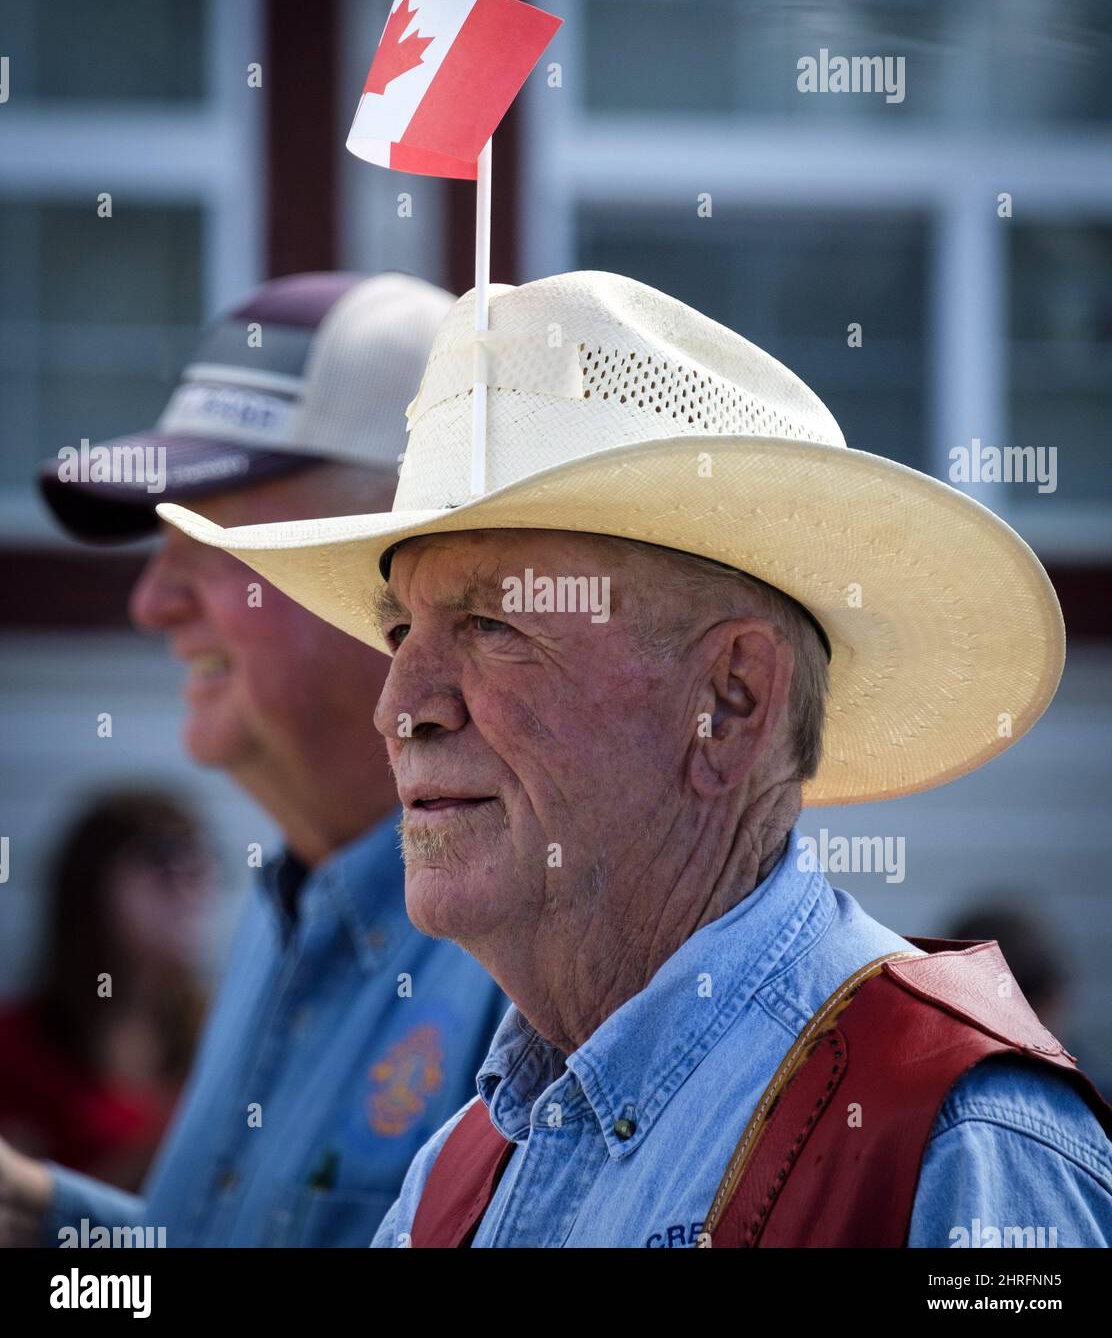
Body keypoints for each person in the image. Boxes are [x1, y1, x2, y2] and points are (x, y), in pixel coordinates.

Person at [161, 270, 1112, 1248]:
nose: (398, 705)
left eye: (491, 622)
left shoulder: (958, 1147)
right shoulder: (456, 1173)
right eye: (401, 628)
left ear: (731, 699)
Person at [0, 271, 507, 1248]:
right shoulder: (292, 894)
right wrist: (46, 1223)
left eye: (212, 535)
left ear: (412, 561)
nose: (152, 603)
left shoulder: (532, 946)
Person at [0, 790, 211, 1192]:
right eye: (161, 856)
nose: (190, 878)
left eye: (200, 861)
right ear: (92, 884)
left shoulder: (221, 1038)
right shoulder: (15, 1046)